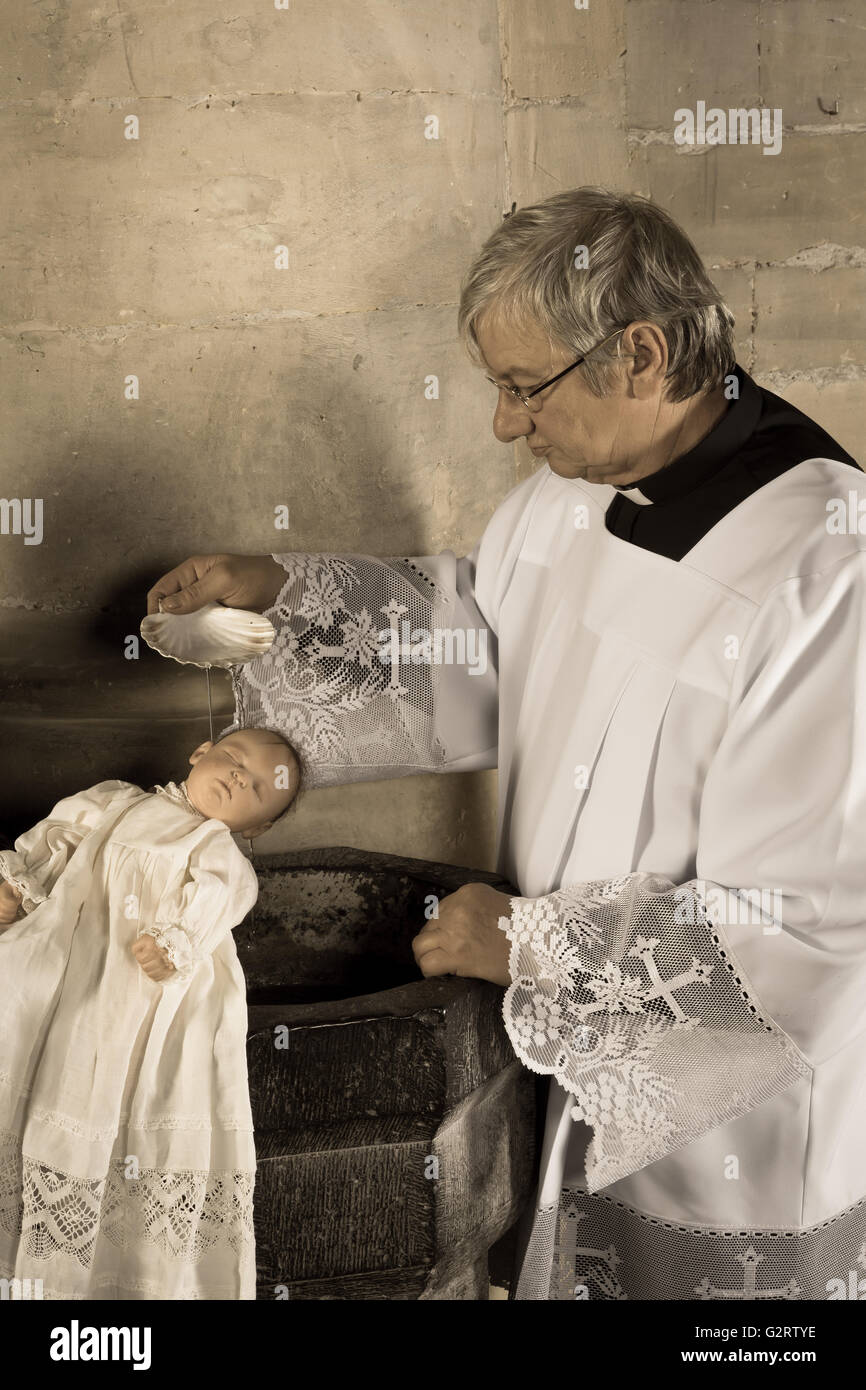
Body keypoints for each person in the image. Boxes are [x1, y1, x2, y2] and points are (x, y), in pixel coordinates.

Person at [145, 187, 866, 1301]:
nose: (502, 423)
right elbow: (487, 655)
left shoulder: (828, 576)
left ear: (637, 352)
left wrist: (536, 948)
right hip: (562, 1072)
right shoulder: (564, 499)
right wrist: (284, 599)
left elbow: (813, 919)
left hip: (730, 1138)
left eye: (522, 387)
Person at [0, 726, 301, 1299]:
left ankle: (94, 1280)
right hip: (66, 958)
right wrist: (18, 885)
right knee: (17, 999)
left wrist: (175, 942)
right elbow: (55, 843)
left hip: (130, 987)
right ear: (198, 754)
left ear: (255, 828)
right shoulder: (114, 801)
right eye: (235, 759)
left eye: (258, 788)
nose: (240, 776)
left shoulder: (214, 848)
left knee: (113, 1079)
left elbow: (222, 895)